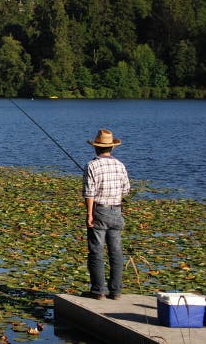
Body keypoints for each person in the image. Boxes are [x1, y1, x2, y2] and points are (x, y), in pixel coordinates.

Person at [82, 128, 130, 300]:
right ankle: (116, 291)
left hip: (99, 210)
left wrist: (89, 214)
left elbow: (89, 193)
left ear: (96, 147)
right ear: (112, 148)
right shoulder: (120, 165)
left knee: (96, 250)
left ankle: (98, 291)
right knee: (116, 251)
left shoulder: (92, 165)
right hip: (116, 210)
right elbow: (126, 189)